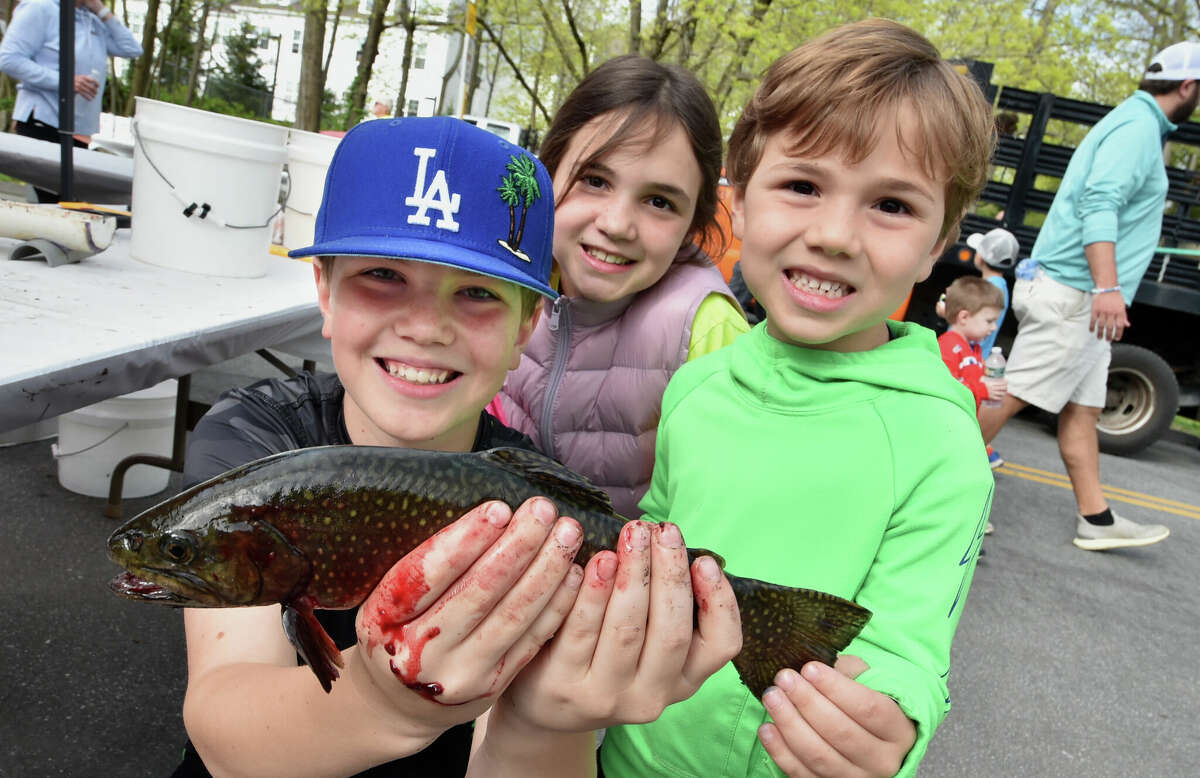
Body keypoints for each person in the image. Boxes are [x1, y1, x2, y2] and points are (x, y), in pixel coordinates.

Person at [172, 116, 742, 777]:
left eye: (475, 293)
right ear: (324, 290)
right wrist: (381, 703)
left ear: (528, 323)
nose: (424, 326)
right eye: (383, 275)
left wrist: (543, 719)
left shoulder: (541, 511)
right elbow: (222, 721)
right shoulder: (255, 447)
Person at [588, 19, 996, 778]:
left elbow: (910, 645)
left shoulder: (942, 444)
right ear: (738, 206)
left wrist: (895, 723)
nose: (835, 234)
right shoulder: (699, 383)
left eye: (893, 206)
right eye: (803, 186)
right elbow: (657, 535)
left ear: (938, 243)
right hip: (622, 755)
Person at [497, 55, 748, 518]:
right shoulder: (505, 280)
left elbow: (719, 516)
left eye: (658, 201)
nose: (616, 224)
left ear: (693, 222)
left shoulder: (705, 330)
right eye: (594, 180)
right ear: (549, 171)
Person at [976, 43, 1199, 551]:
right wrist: (1107, 288)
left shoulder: (1135, 123)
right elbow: (1101, 205)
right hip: (1077, 293)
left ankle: (1095, 520)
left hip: (1077, 293)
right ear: (1188, 87)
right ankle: (934, 496)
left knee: (1083, 411)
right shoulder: (1138, 130)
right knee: (1013, 396)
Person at [0, 0, 142, 202]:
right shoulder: (40, 8)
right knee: (54, 202)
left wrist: (101, 11)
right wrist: (65, 81)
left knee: (67, 203)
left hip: (80, 129)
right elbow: (9, 59)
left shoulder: (91, 20)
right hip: (44, 120)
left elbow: (132, 49)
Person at [938, 276, 1008, 412]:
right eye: (989, 321)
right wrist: (983, 389)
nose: (994, 327)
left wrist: (991, 384)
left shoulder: (974, 348)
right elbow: (946, 386)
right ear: (964, 317)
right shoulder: (948, 345)